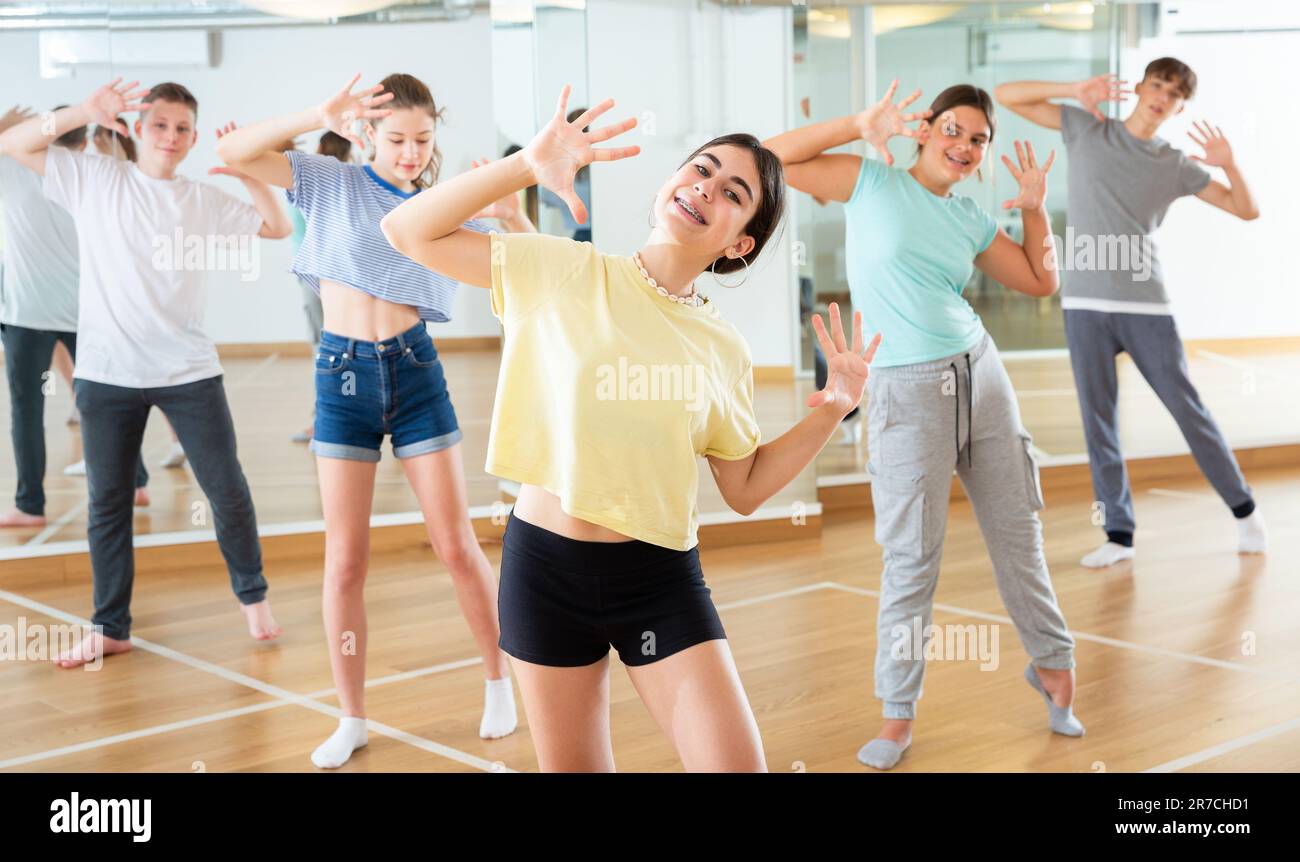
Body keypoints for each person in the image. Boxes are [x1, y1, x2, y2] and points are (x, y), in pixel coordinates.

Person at [382, 85, 880, 772]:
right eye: (702, 169)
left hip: (658, 581)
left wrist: (833, 408)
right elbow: (407, 231)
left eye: (735, 193)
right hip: (545, 572)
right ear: (670, 185)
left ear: (739, 243)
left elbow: (744, 485)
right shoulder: (563, 271)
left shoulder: (723, 348)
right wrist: (528, 164)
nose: (708, 188)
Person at [764, 80, 1084, 770]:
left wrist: (1035, 212)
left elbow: (1039, 280)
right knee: (912, 558)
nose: (965, 146)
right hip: (907, 393)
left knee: (1017, 531)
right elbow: (768, 158)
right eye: (954, 130)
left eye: (978, 140)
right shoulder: (870, 182)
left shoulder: (969, 217)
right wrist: (855, 121)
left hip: (982, 375)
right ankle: (897, 715)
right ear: (924, 130)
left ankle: (1054, 668)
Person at [216, 73, 521, 768]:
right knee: (345, 561)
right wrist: (313, 112)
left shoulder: (441, 207)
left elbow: (512, 267)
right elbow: (236, 153)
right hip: (341, 375)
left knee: (455, 545)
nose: (411, 153)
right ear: (367, 135)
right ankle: (350, 716)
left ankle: (498, 680)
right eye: (397, 139)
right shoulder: (330, 181)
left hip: (415, 371)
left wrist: (515, 213)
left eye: (423, 140)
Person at [0, 78, 290, 667]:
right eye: (160, 124)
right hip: (107, 374)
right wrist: (86, 110)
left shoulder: (201, 199)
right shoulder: (95, 180)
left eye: (183, 128)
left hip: (188, 371)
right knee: (107, 504)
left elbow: (277, 229)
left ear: (192, 139)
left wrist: (252, 174)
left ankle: (253, 596)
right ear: (137, 128)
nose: (171, 136)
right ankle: (110, 627)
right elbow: (16, 144)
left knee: (226, 489)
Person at [995, 59, 1266, 568]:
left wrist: (1228, 163)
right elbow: (1007, 93)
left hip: (1144, 305)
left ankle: (1246, 511)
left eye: (1176, 92)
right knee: (1098, 423)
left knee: (1189, 412)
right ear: (1139, 88)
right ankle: (1119, 535)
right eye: (1158, 84)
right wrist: (1072, 87)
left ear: (1181, 106)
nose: (1163, 95)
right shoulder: (1086, 129)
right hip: (1083, 303)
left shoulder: (1174, 163)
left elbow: (1245, 208)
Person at [0, 106, 149, 526]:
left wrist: (8, 123)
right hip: (88, 310)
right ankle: (136, 482)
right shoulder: (96, 177)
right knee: (109, 403)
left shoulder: (12, 171)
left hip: (29, 313)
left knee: (27, 409)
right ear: (82, 142)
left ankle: (30, 506)